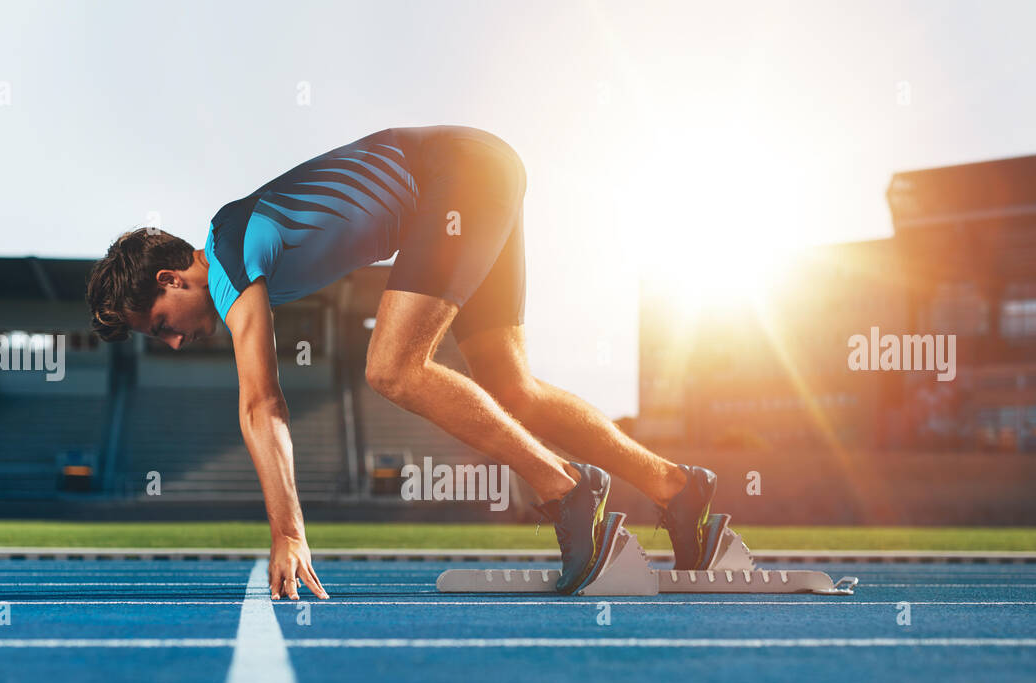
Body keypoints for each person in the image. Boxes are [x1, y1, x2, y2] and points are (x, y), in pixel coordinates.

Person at [86, 125, 717, 600]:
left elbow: (261, 403)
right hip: (476, 173)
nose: (173, 343)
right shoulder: (239, 242)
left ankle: (569, 488)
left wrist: (288, 531)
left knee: (392, 366)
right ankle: (677, 488)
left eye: (162, 326)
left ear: (173, 279)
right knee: (511, 388)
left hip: (456, 180)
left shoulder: (226, 258)